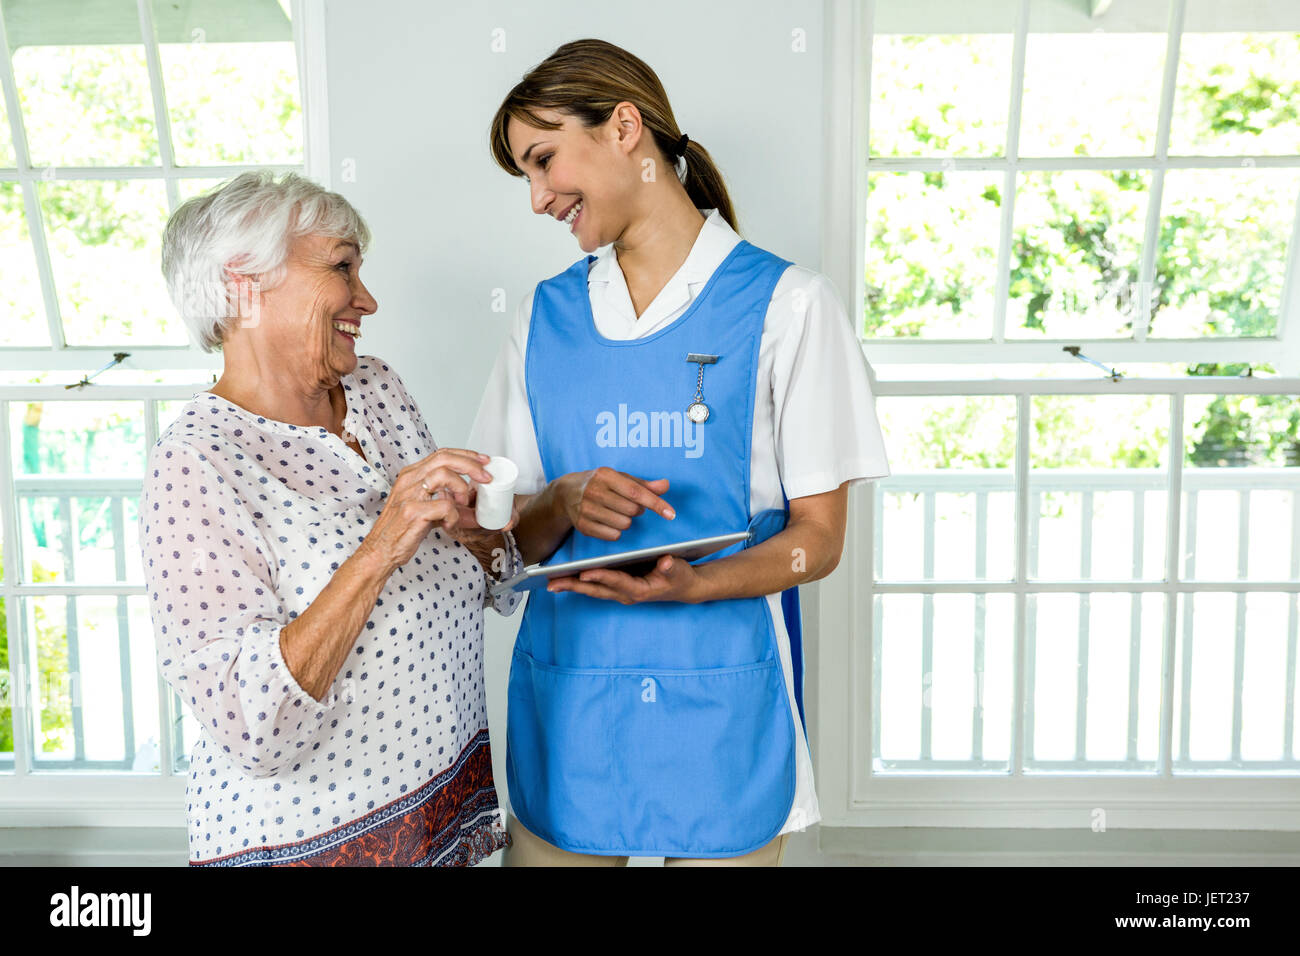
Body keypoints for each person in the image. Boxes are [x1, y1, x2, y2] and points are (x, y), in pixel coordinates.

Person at [471, 38, 890, 866]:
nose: (537, 197)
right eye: (526, 173)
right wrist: (559, 501)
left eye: (545, 159)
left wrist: (697, 584)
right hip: (571, 708)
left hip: (721, 709)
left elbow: (820, 538)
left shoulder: (789, 306)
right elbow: (501, 540)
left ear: (625, 127)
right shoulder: (541, 321)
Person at [143, 170, 523, 866]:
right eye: (342, 267)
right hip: (311, 845)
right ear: (244, 283)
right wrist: (382, 545)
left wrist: (478, 531)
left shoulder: (375, 387)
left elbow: (483, 578)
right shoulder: (196, 462)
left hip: (439, 813)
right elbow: (252, 727)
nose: (367, 298)